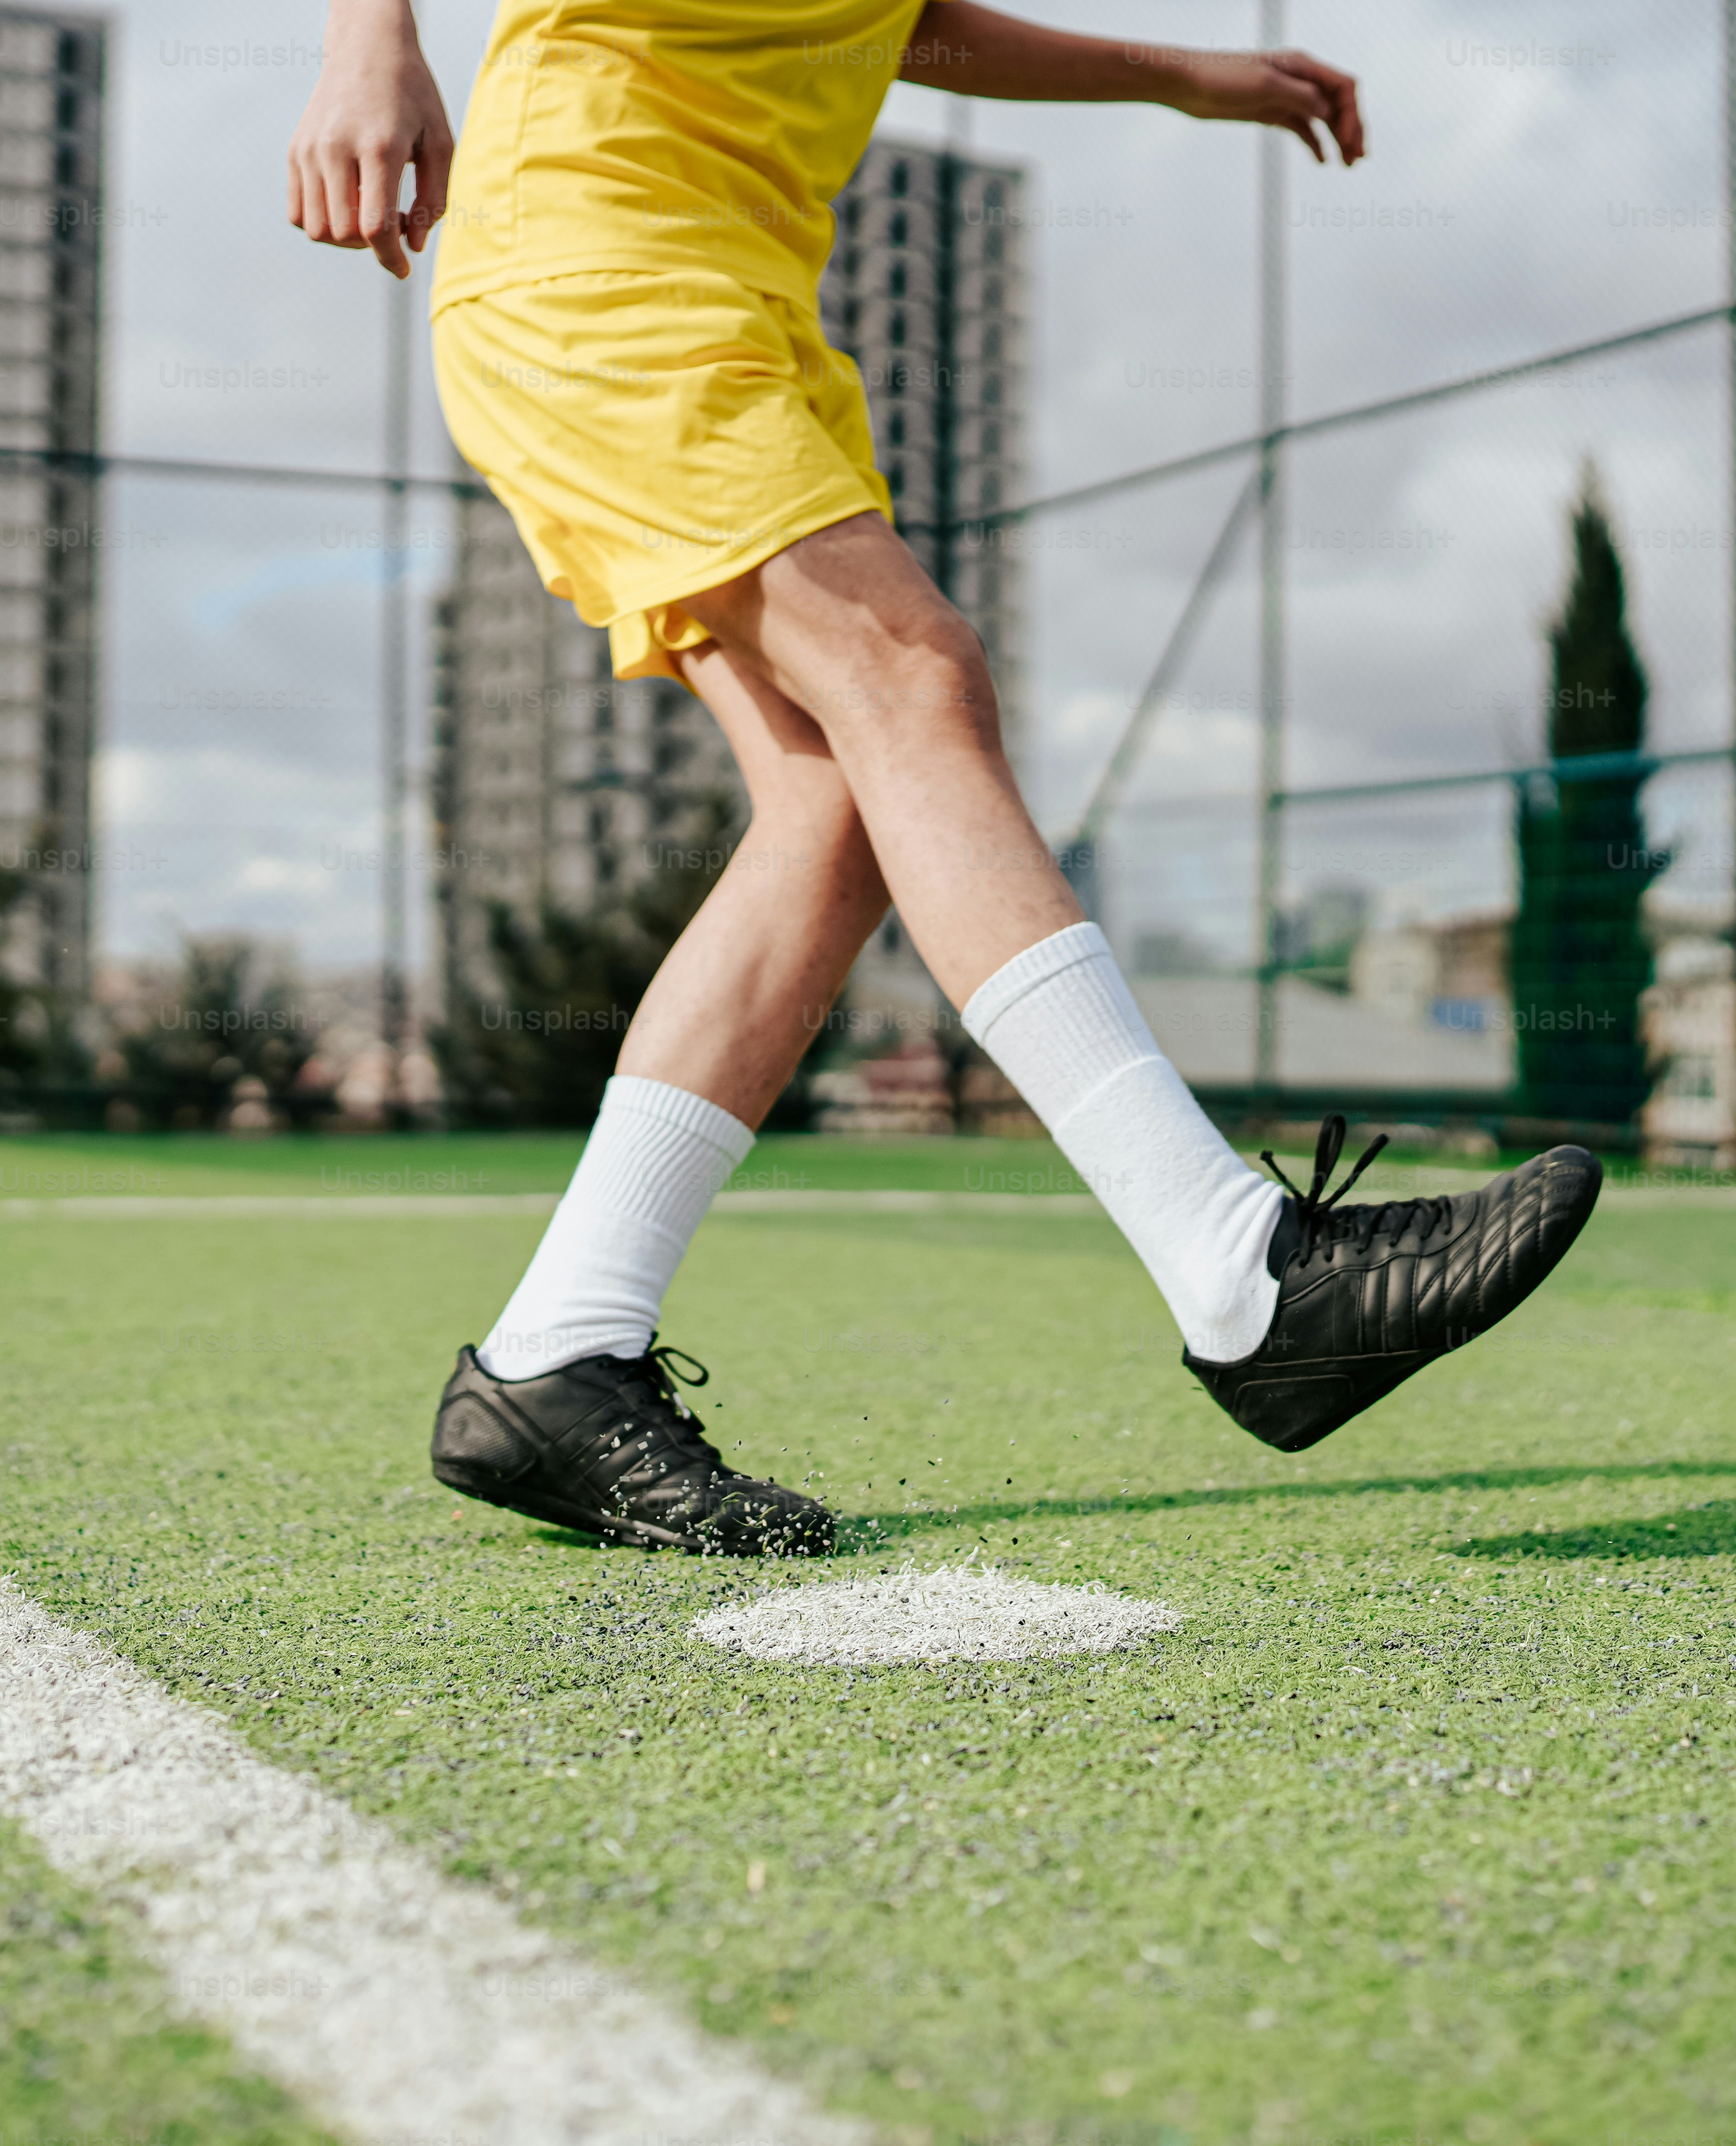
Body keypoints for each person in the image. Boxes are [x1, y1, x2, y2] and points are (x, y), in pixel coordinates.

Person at [288, 0, 1602, 1555]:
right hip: (599, 255)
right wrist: (367, 38)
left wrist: (1184, 79)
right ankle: (1243, 1272)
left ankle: (554, 1359)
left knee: (836, 807)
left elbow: (901, 27)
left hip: (732, 289)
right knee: (913, 675)